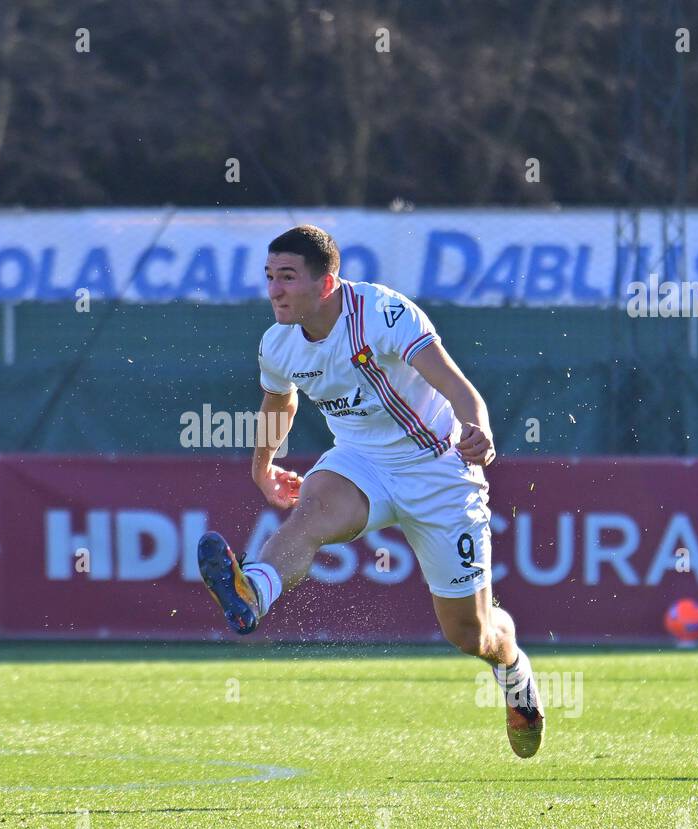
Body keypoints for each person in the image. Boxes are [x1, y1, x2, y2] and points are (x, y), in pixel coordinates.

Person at [197, 224, 544, 758]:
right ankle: (253, 595)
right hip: (360, 460)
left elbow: (455, 385)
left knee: (470, 635)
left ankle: (514, 670)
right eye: (269, 277)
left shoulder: (380, 313)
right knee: (307, 519)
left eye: (288, 278)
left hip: (439, 472)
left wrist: (479, 427)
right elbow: (280, 403)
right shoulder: (278, 341)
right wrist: (263, 466)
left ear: (327, 282)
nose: (275, 290)